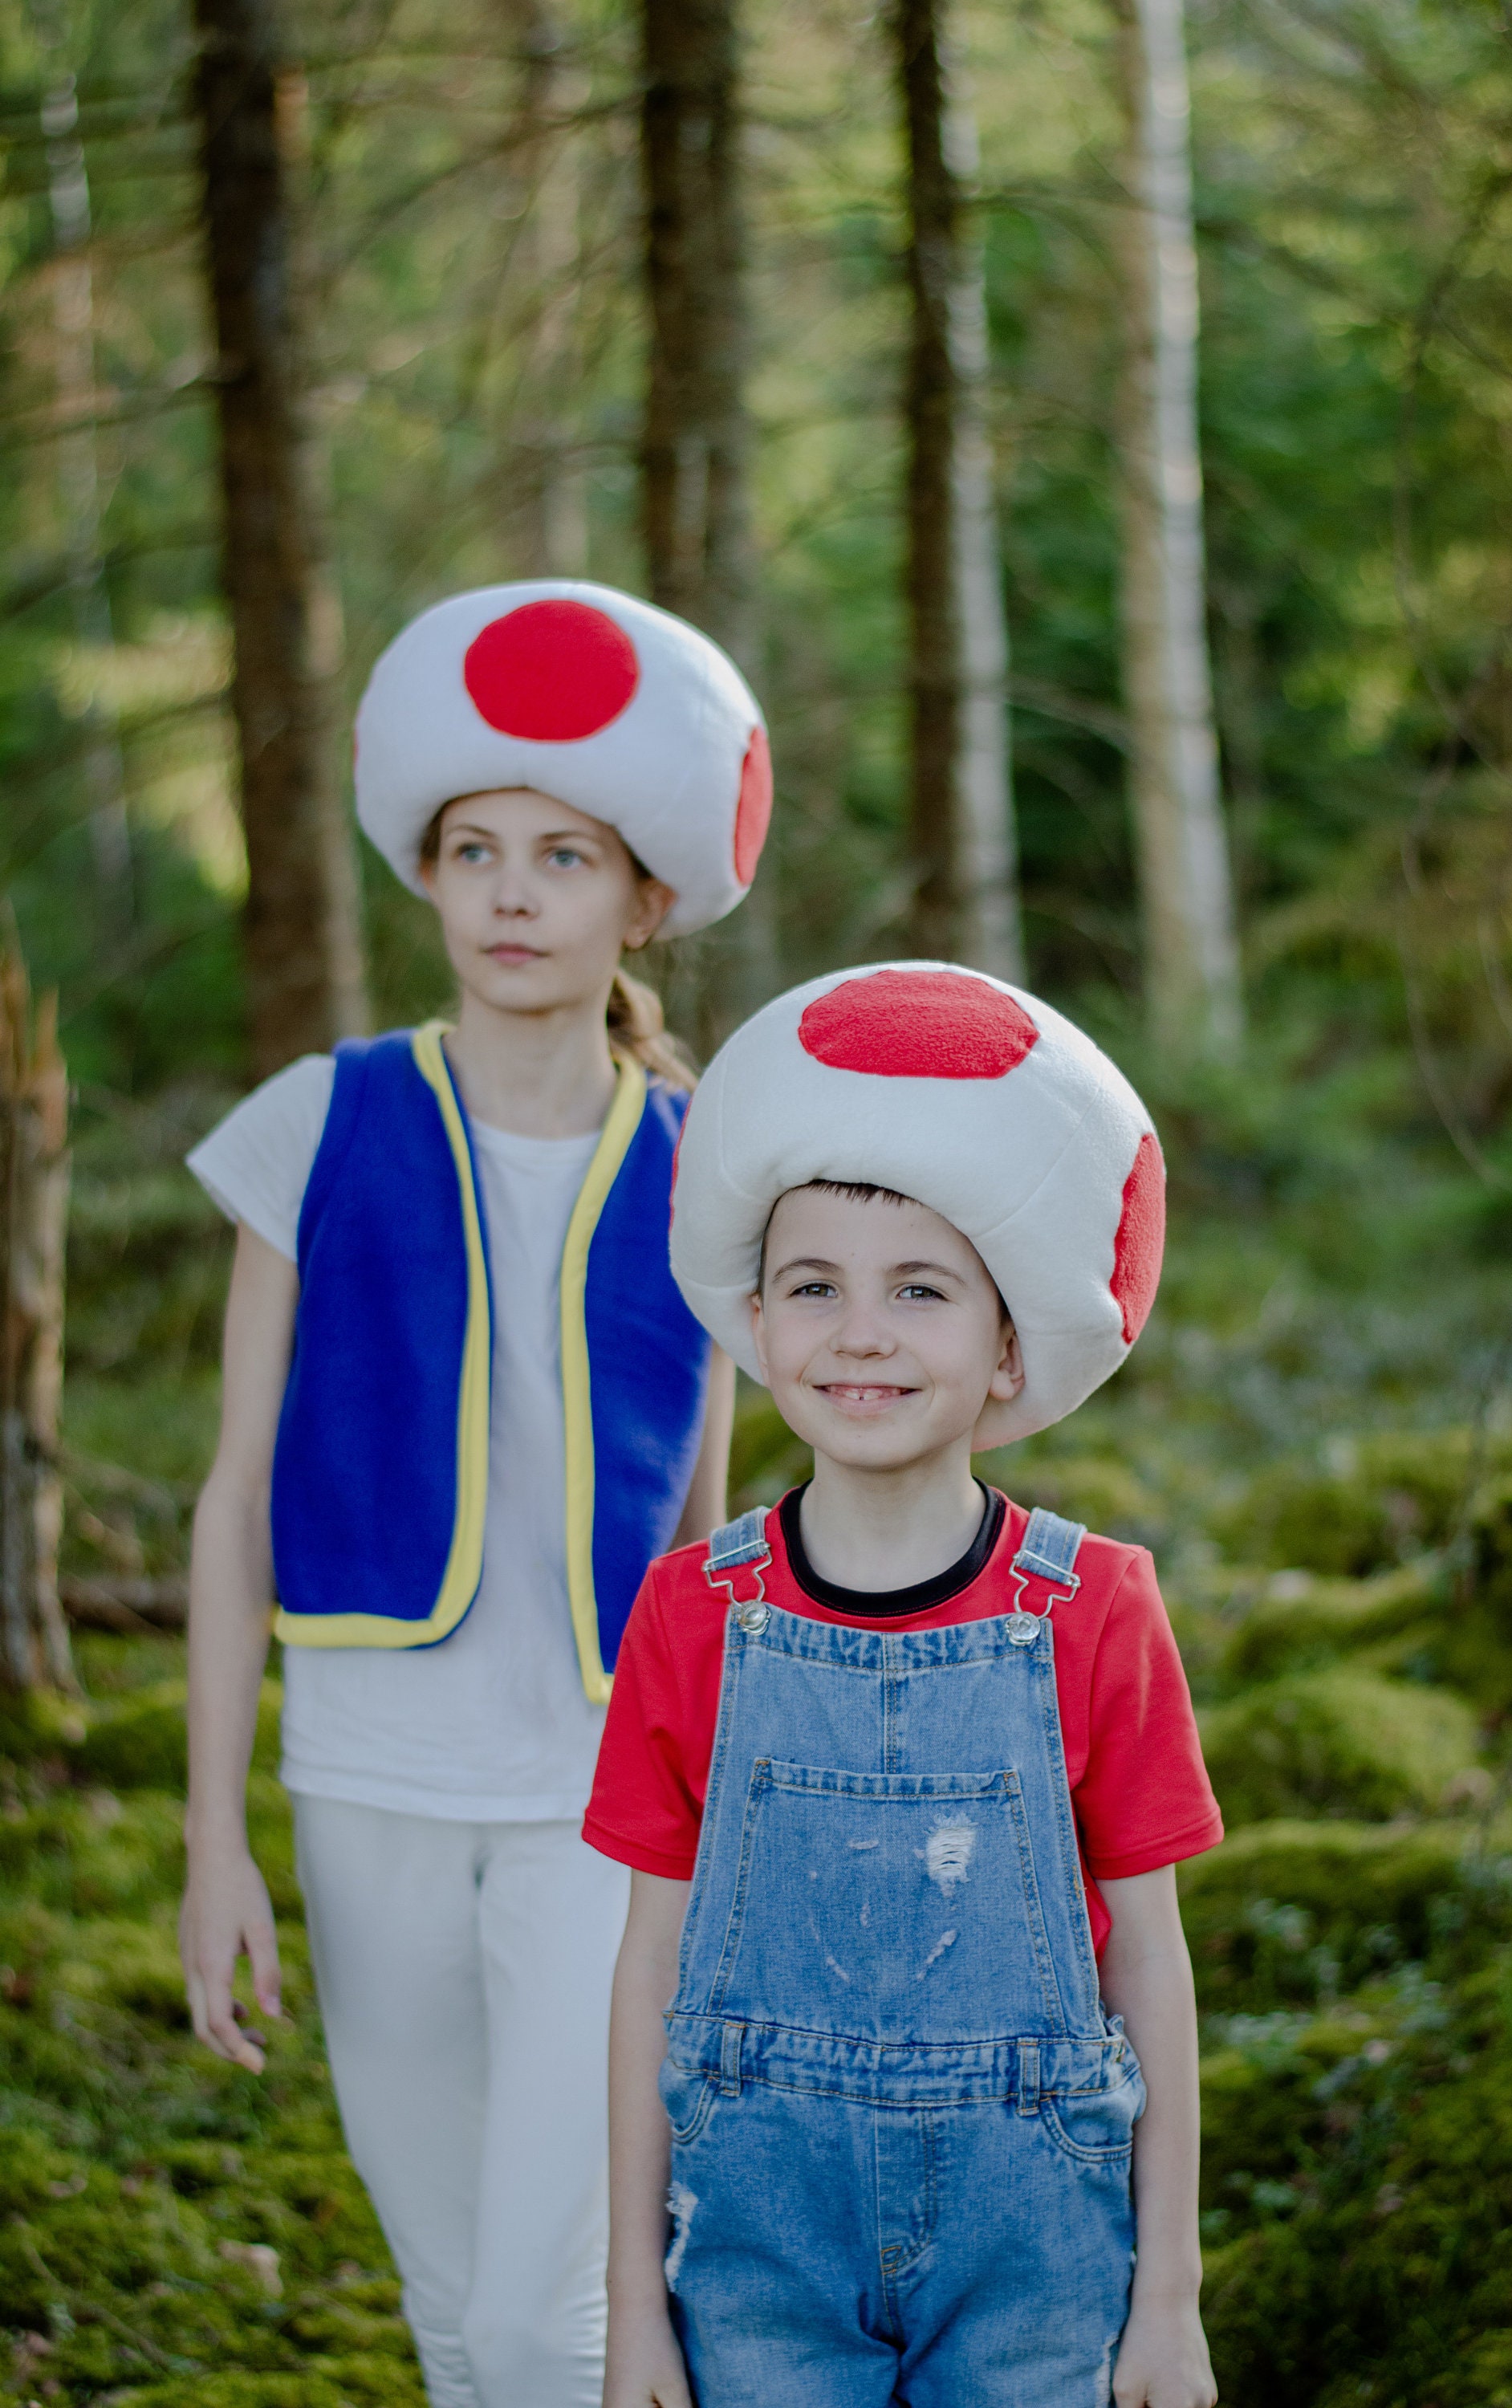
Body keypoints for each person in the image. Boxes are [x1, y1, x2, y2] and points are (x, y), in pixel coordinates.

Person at [180, 581, 775, 2408]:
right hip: (360, 1785)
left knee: (553, 2322)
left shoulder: (707, 1172)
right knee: (457, 2324)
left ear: (641, 896)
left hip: (598, 1813)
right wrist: (213, 1847)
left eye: (563, 856)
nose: (513, 895)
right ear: (425, 876)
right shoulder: (318, 1121)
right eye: (474, 851)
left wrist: (724, 1823)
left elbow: (708, 1547)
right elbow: (230, 1502)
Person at [587, 962, 1222, 2408]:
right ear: (757, 1321)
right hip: (758, 2263)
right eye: (815, 1287)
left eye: (920, 1291)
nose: (860, 1333)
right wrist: (632, 2307)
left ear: (1009, 1345)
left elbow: (1152, 1966)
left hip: (1038, 2266)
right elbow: (647, 1973)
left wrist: (1169, 2295)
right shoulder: (693, 1613)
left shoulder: (1095, 1609)